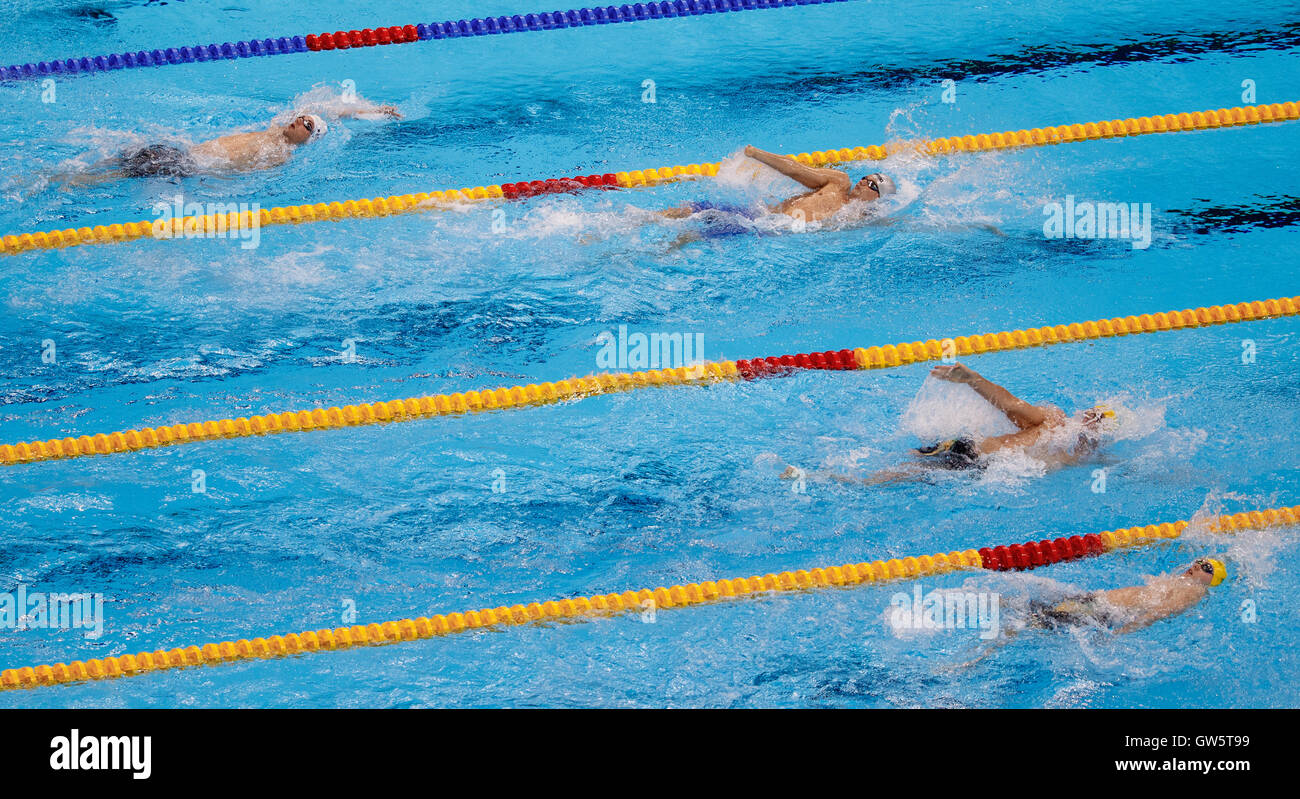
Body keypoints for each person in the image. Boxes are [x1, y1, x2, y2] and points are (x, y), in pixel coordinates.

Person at [780, 361, 1117, 486]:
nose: (1092, 423)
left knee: (887, 472)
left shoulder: (1078, 456)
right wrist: (973, 379)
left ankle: (814, 474)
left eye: (1098, 423)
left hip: (968, 454)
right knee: (876, 479)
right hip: (972, 457)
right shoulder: (1054, 422)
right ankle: (815, 476)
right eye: (1095, 417)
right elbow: (1011, 405)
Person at [949, 558, 1226, 669]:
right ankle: (970, 606)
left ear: (1211, 580)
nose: (1197, 565)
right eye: (1200, 561)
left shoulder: (1193, 592)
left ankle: (972, 660)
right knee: (1028, 608)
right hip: (1096, 603)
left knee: (1028, 620)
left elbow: (1159, 612)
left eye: (1207, 567)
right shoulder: (1181, 583)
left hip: (1102, 611)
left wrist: (1121, 632)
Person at [58, 103, 401, 186]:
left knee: (113, 176)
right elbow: (333, 112)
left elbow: (236, 179)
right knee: (116, 158)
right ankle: (58, 177)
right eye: (301, 116)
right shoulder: (275, 128)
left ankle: (70, 183)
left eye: (306, 124)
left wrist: (202, 183)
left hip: (186, 166)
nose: (299, 120)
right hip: (180, 151)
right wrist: (374, 111)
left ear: (308, 139)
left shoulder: (279, 154)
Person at [659, 144, 896, 241]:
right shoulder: (838, 182)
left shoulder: (859, 218)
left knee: (695, 234)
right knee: (693, 208)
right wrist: (758, 154)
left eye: (874, 185)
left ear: (878, 198)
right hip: (759, 214)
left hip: (768, 229)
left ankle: (664, 252)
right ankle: (645, 218)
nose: (865, 183)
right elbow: (797, 170)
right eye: (866, 177)